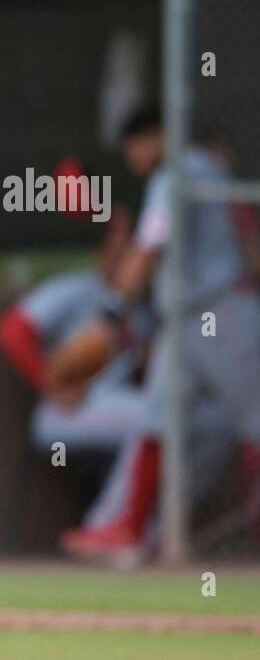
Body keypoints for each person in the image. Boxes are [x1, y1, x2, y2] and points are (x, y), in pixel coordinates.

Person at [54, 106, 260, 560]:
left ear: (159, 136)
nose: (132, 154)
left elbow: (147, 250)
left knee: (255, 421)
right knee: (157, 418)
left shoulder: (178, 174)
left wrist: (108, 315)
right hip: (185, 319)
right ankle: (129, 529)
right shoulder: (198, 168)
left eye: (136, 143)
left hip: (221, 314)